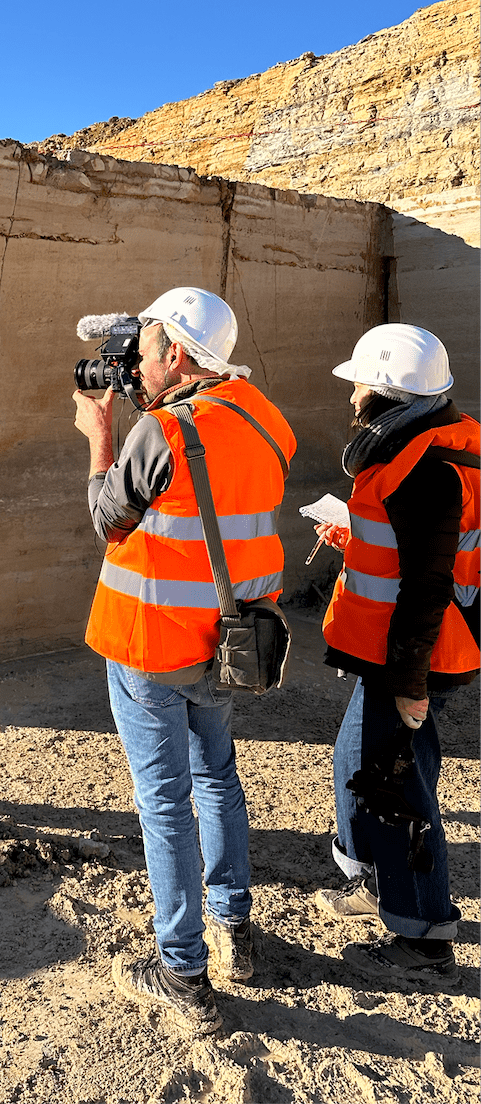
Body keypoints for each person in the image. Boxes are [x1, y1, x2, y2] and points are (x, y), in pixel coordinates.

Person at [73, 287, 296, 1035]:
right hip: (226, 642)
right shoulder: (268, 422)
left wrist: (100, 434)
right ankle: (236, 930)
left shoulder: (160, 432)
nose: (133, 364)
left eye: (143, 351)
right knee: (217, 776)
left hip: (150, 645)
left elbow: (111, 516)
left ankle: (183, 971)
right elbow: (203, 486)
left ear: (176, 354)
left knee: (164, 800)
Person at [313, 324, 478, 985]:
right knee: (357, 758)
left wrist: (411, 683)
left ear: (383, 391)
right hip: (390, 652)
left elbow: (429, 586)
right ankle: (373, 879)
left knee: (399, 790)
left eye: (358, 381)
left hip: (414, 655)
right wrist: (358, 540)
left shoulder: (428, 470)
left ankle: (424, 941)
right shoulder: (417, 451)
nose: (351, 391)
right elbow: (409, 556)